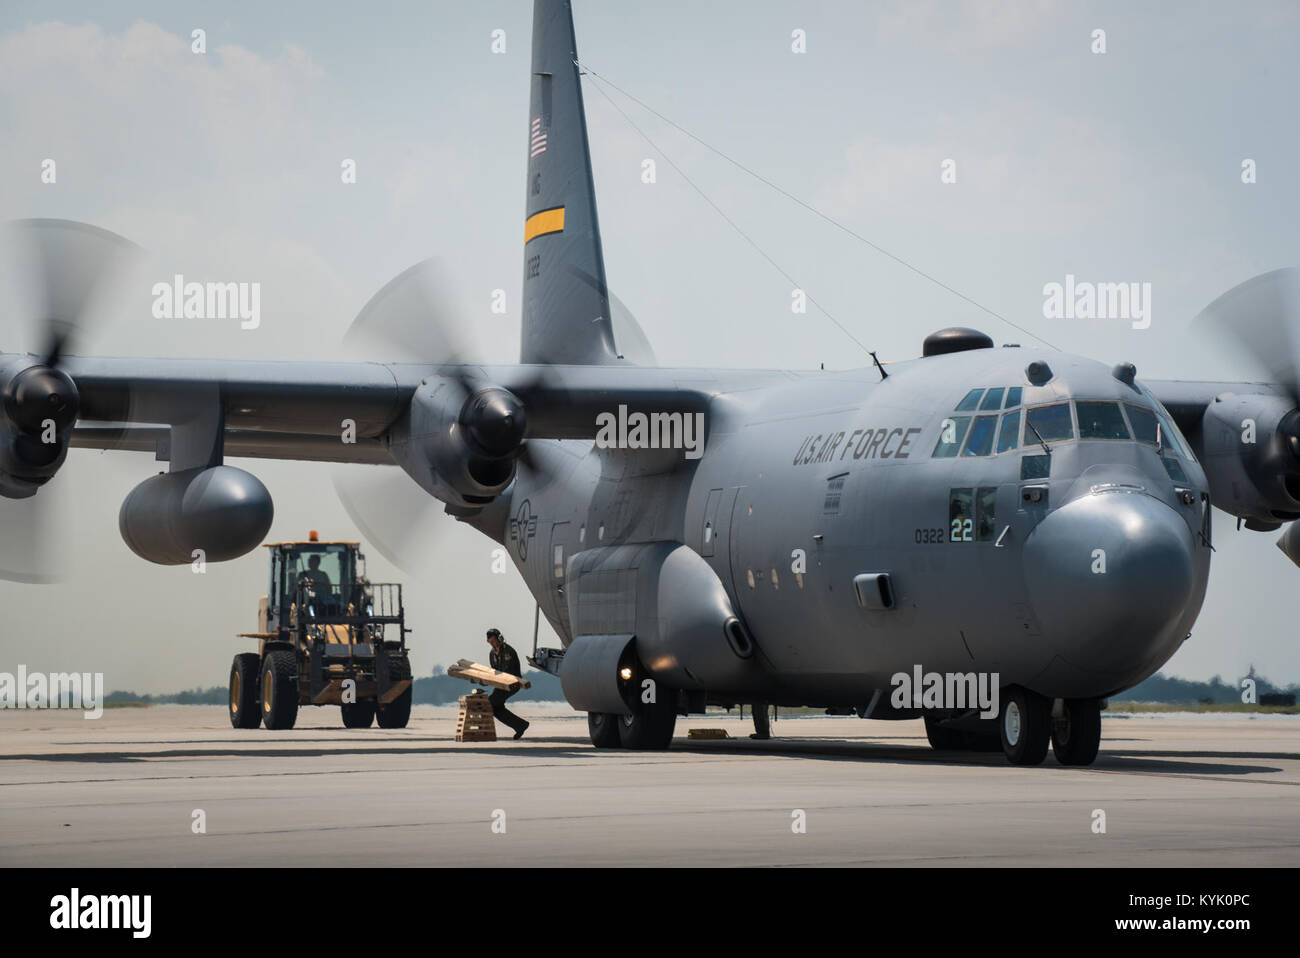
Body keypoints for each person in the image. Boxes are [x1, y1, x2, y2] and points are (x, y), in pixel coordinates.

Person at [486, 628, 530, 739]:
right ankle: (521, 725)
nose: (492, 643)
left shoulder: (508, 651)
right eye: (490, 641)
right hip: (500, 685)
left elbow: (508, 671)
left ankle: (520, 726)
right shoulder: (492, 654)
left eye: (493, 640)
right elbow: (494, 670)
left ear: (499, 638)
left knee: (490, 703)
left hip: (511, 684)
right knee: (495, 708)